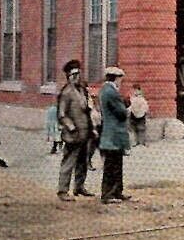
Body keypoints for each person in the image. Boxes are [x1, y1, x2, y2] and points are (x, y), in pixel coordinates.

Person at [55, 59, 94, 201]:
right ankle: (62, 190)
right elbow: (62, 114)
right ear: (69, 76)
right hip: (72, 134)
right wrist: (71, 127)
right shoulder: (66, 92)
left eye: (78, 74)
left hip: (85, 132)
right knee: (69, 162)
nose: (77, 77)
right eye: (74, 75)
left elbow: (87, 108)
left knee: (83, 162)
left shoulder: (82, 90)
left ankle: (79, 187)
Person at [99, 66, 132, 204]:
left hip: (110, 133)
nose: (121, 82)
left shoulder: (104, 90)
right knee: (112, 165)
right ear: (116, 78)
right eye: (120, 79)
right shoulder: (111, 93)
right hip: (114, 134)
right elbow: (121, 113)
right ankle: (109, 194)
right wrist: (128, 109)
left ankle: (117, 191)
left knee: (115, 164)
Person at [86, 88, 102, 169]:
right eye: (93, 97)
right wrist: (94, 130)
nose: (94, 98)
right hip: (93, 129)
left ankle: (104, 163)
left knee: (101, 147)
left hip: (100, 128)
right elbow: (91, 120)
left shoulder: (99, 109)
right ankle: (88, 162)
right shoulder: (90, 109)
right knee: (91, 147)